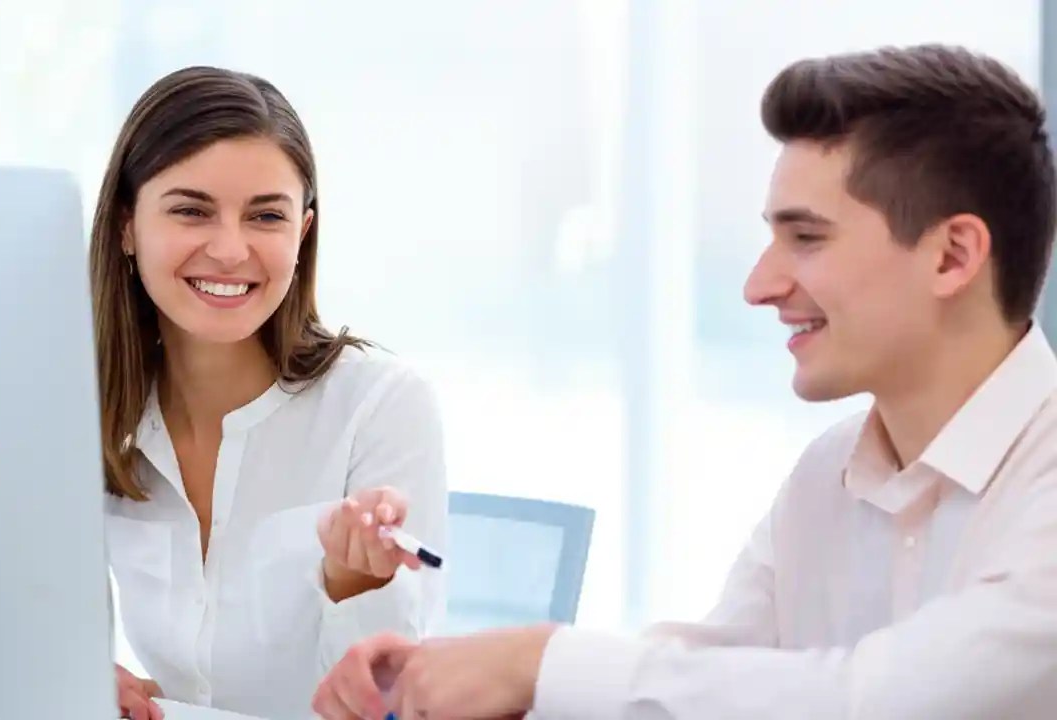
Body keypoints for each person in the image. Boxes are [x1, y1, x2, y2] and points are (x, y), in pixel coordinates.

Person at [314, 43, 1057, 719]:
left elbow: (885, 701)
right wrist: (443, 685)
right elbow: (698, 685)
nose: (759, 285)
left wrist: (540, 665)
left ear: (953, 256)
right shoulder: (828, 474)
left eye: (805, 238)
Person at [89, 66, 447, 720]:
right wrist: (80, 674)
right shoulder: (92, 409)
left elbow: (388, 705)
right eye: (192, 210)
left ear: (302, 232)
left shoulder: (382, 407)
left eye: (265, 216)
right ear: (125, 227)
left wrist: (356, 582)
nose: (230, 250)